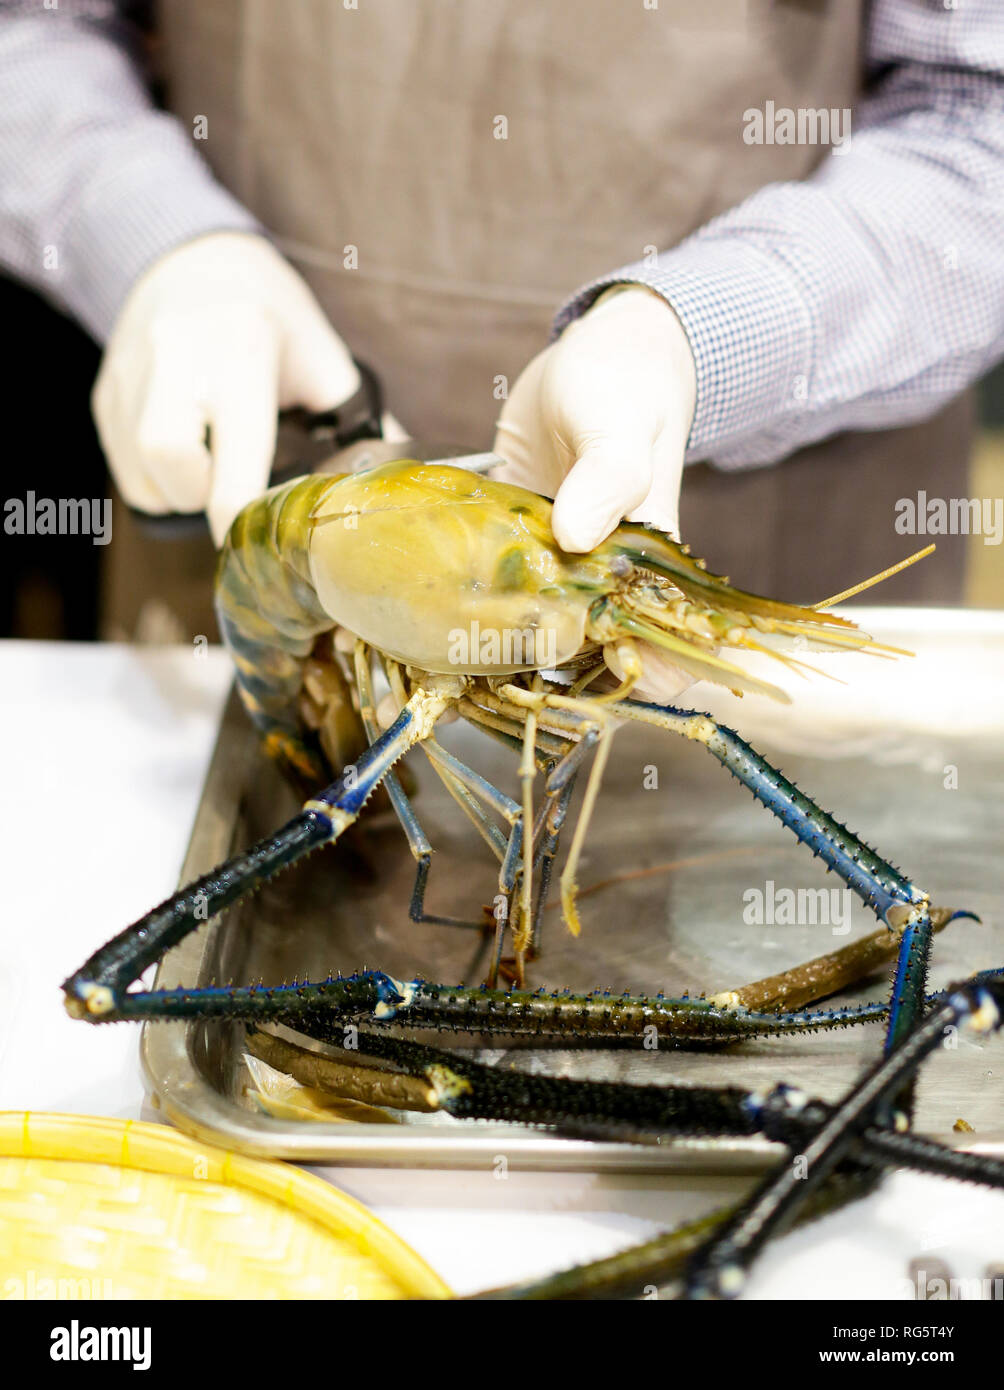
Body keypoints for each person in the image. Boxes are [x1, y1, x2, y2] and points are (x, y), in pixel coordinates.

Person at [1, 1, 1002, 689]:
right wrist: (151, 237)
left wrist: (700, 330)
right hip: (237, 590)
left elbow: (979, 123)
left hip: (782, 555)